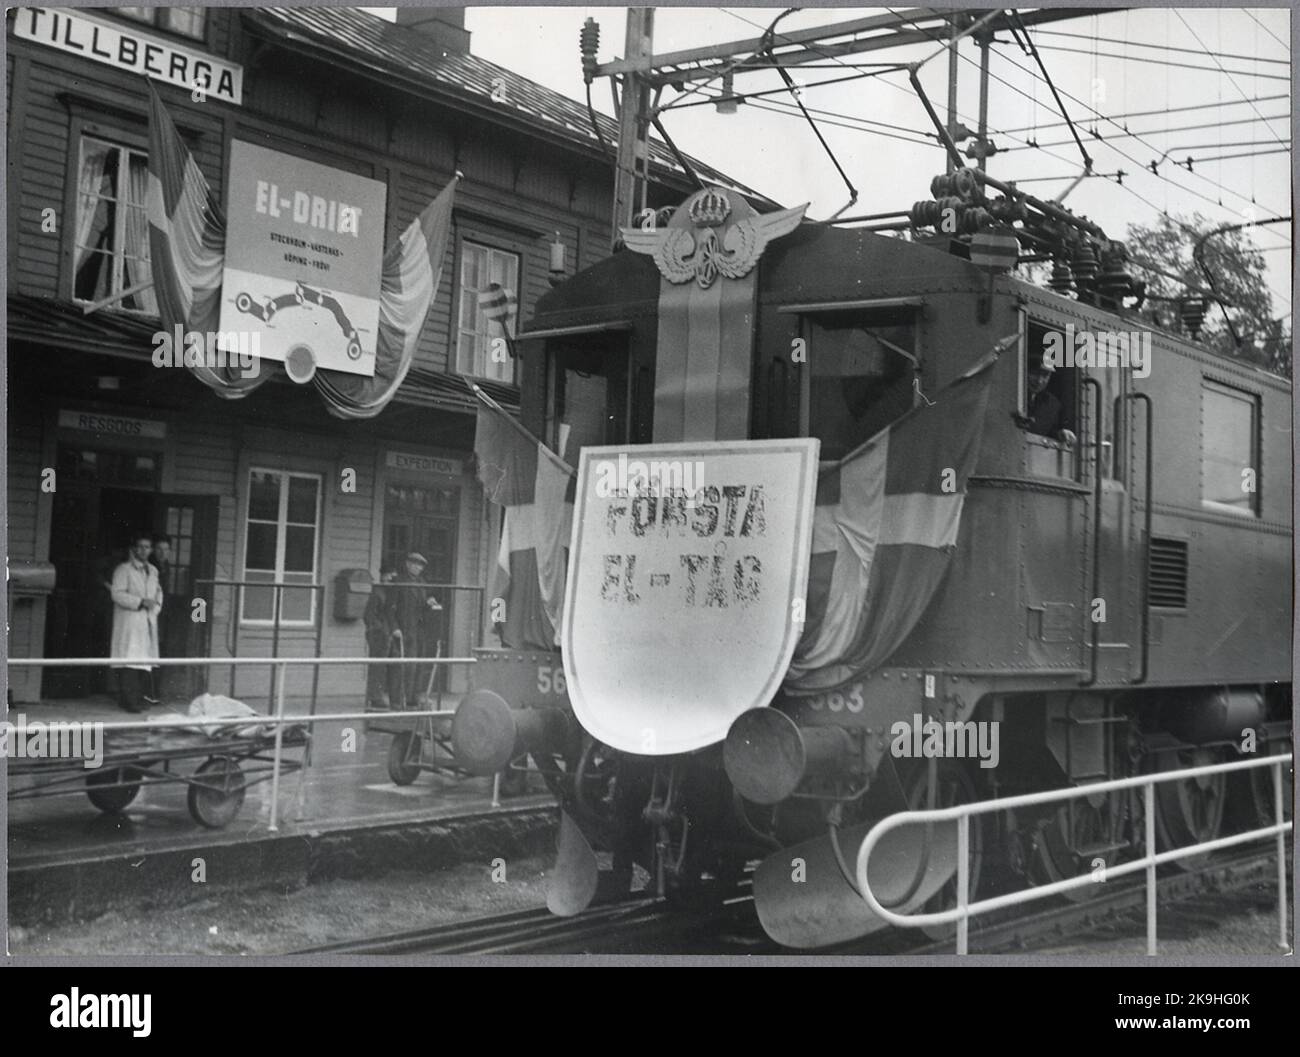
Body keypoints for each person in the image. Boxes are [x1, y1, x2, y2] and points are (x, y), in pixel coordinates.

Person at [110, 531, 163, 713]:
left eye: (147, 547)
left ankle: (137, 699)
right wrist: (140, 602)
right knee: (129, 660)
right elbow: (117, 594)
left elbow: (158, 593)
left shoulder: (153, 571)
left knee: (143, 661)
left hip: (147, 620)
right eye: (140, 546)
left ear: (151, 550)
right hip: (130, 620)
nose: (143, 550)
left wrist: (155, 607)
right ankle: (129, 701)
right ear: (134, 549)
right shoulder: (124, 570)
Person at [386, 552, 442, 710]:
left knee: (416, 666)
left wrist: (428, 603)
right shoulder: (399, 582)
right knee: (401, 666)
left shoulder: (422, 583)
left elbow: (420, 607)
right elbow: (390, 608)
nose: (417, 567)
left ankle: (412, 698)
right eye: (414, 564)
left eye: (420, 565)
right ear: (407, 564)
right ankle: (397, 701)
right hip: (403, 629)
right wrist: (394, 627)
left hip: (418, 630)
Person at [1015, 361, 1077, 445]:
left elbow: (1048, 431)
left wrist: (1060, 434)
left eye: (1045, 375)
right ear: (1025, 371)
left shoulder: (1052, 404)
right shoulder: (1013, 396)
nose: (1039, 381)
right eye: (1035, 373)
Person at [364, 565, 396, 709]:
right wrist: (380, 629)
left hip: (387, 633)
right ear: (383, 576)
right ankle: (375, 697)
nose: (391, 579)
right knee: (377, 666)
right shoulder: (377, 592)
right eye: (388, 576)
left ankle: (379, 695)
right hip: (378, 634)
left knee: (382, 667)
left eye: (392, 577)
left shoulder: (389, 593)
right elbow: (369, 615)